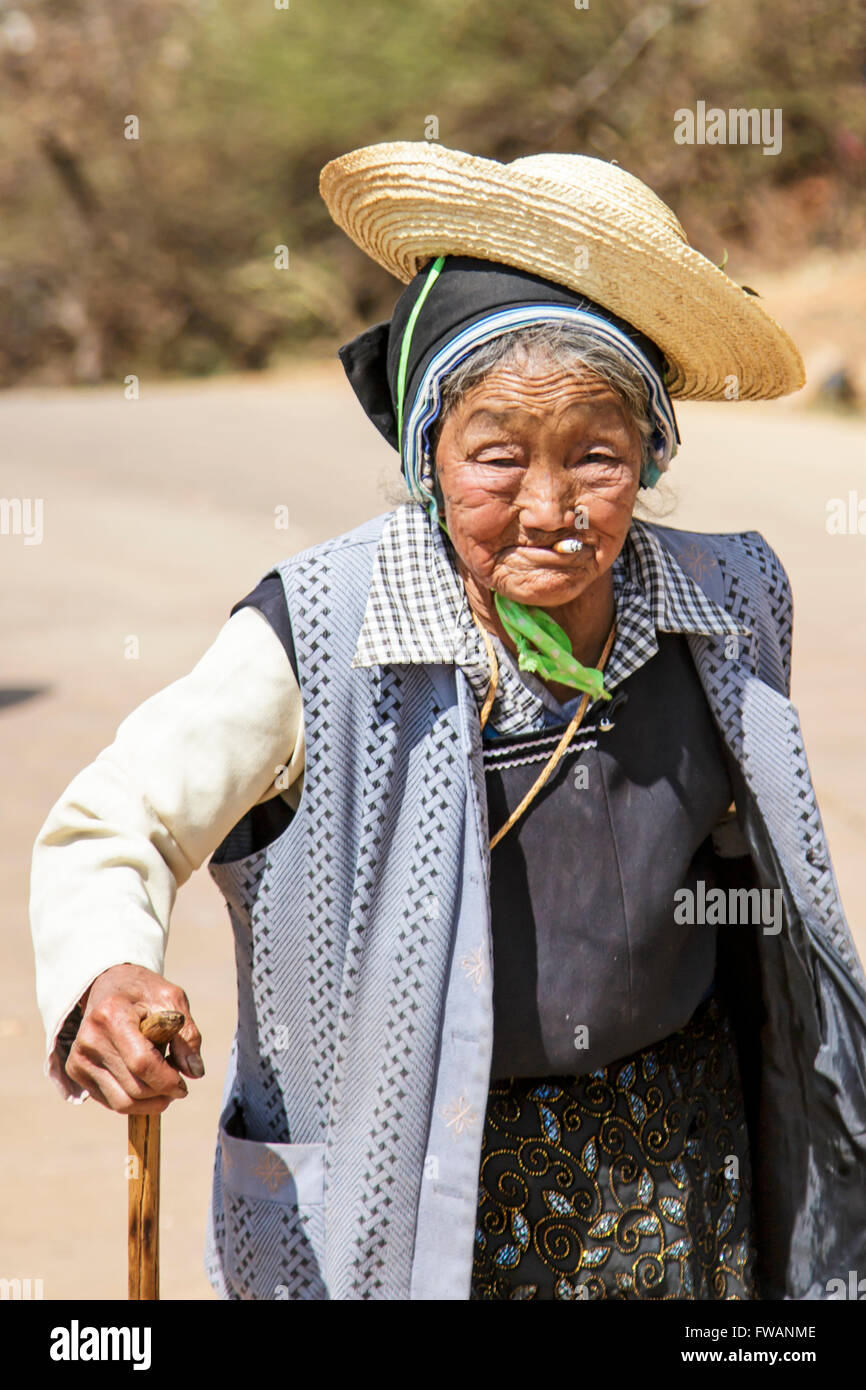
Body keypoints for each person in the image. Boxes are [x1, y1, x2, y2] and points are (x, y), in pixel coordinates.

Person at [30, 142, 866, 1301]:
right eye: (495, 458)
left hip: (676, 1161)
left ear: (652, 456)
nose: (551, 509)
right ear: (427, 455)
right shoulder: (316, 632)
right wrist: (106, 972)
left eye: (598, 457)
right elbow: (119, 816)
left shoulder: (722, 605)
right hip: (417, 1180)